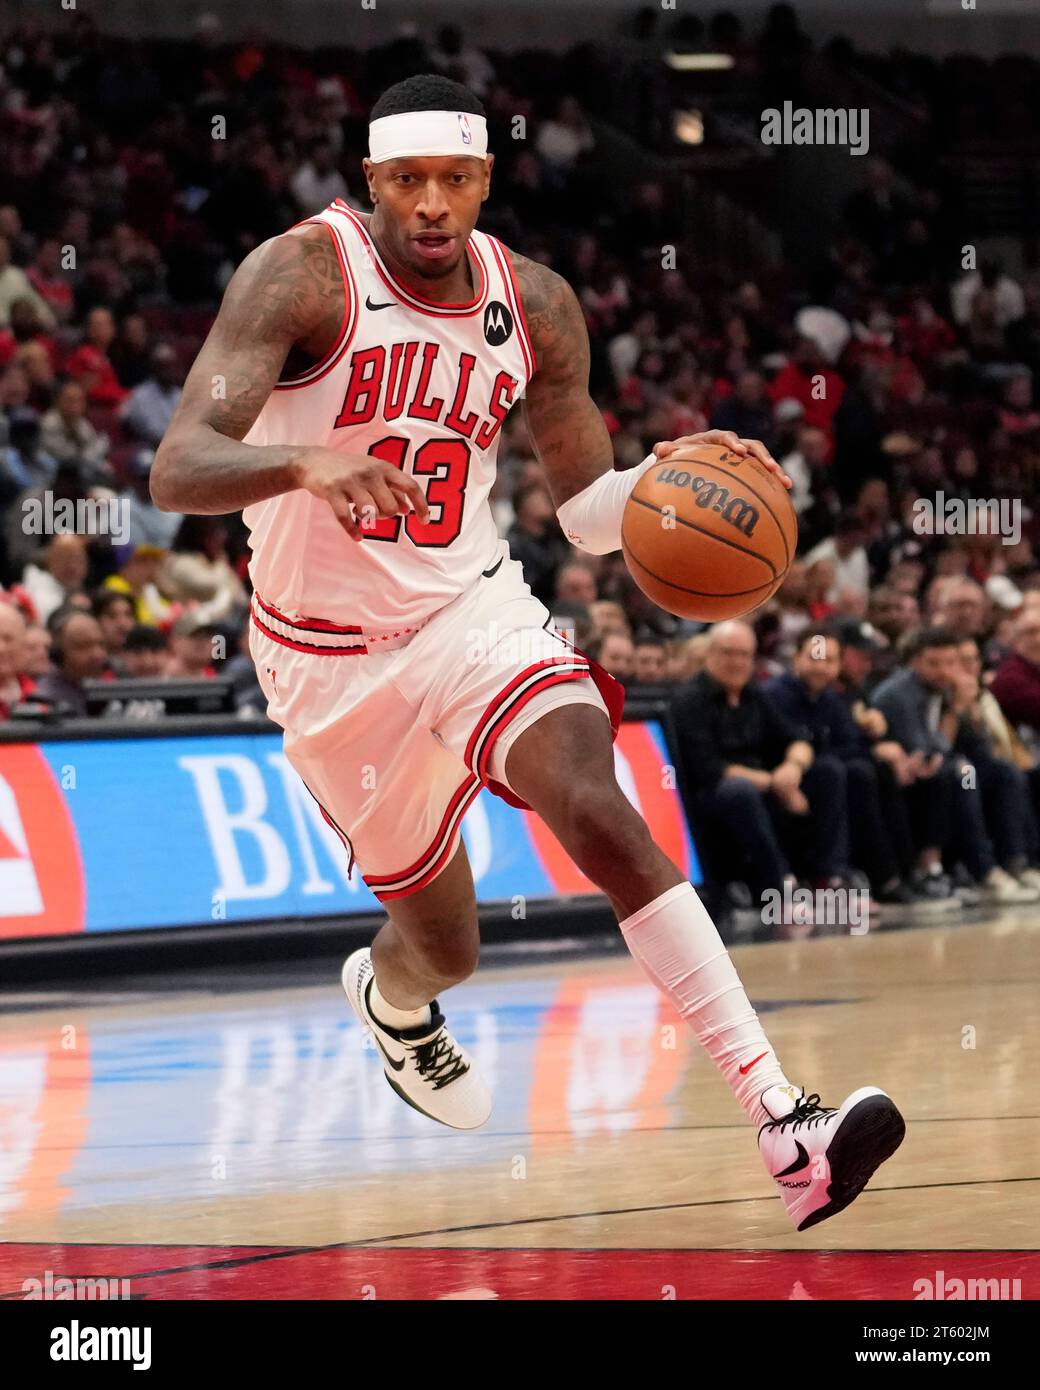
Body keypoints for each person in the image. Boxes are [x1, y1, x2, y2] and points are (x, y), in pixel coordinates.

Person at [150, 73, 904, 1231]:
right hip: (326, 661)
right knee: (442, 949)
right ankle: (393, 997)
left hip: (473, 616)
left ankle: (782, 1119)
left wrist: (663, 483)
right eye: (407, 181)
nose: (432, 203)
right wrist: (306, 463)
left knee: (594, 802)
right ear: (372, 183)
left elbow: (583, 507)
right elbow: (179, 464)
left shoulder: (535, 304)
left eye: (454, 178)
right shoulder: (300, 274)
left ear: (485, 181)